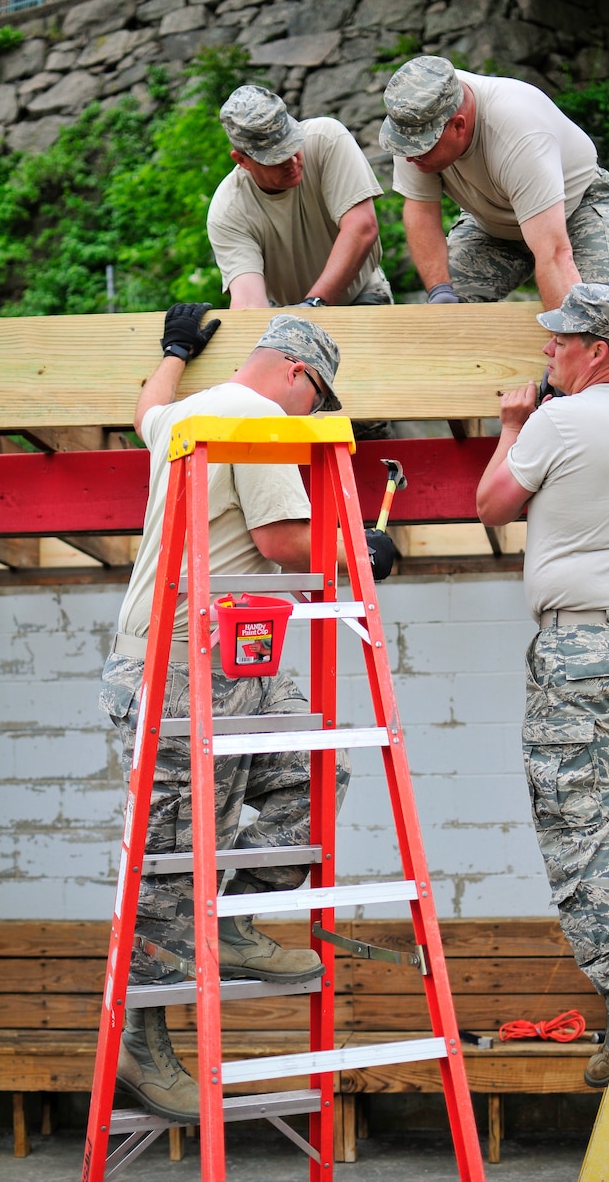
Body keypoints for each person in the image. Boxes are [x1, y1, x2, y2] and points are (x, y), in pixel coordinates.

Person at [101, 303, 395, 1123]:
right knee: (170, 858)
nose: (310, 417)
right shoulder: (258, 417)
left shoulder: (188, 413)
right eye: (317, 398)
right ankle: (144, 1046)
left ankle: (235, 917)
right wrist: (360, 553)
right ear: (297, 374)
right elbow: (283, 543)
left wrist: (174, 350)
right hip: (183, 658)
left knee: (316, 768)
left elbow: (144, 410)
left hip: (231, 652)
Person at [475, 283, 609, 1088]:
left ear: (597, 351)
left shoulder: (559, 421)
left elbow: (492, 503)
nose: (548, 351)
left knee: (579, 833)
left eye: (561, 342)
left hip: (583, 648)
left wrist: (511, 426)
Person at [379, 56, 609, 311]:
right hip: (493, 223)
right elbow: (422, 210)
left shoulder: (519, 133)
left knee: (600, 314)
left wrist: (569, 337)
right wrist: (441, 292)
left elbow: (554, 254)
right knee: (451, 312)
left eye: (421, 150)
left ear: (458, 125)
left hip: (575, 207)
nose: (409, 157)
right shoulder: (413, 127)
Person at [208, 84, 392, 311]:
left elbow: (362, 227)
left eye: (293, 146)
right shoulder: (228, 211)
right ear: (242, 161)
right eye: (277, 158)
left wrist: (314, 303)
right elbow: (249, 303)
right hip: (289, 314)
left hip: (362, 293)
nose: (293, 162)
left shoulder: (326, 138)